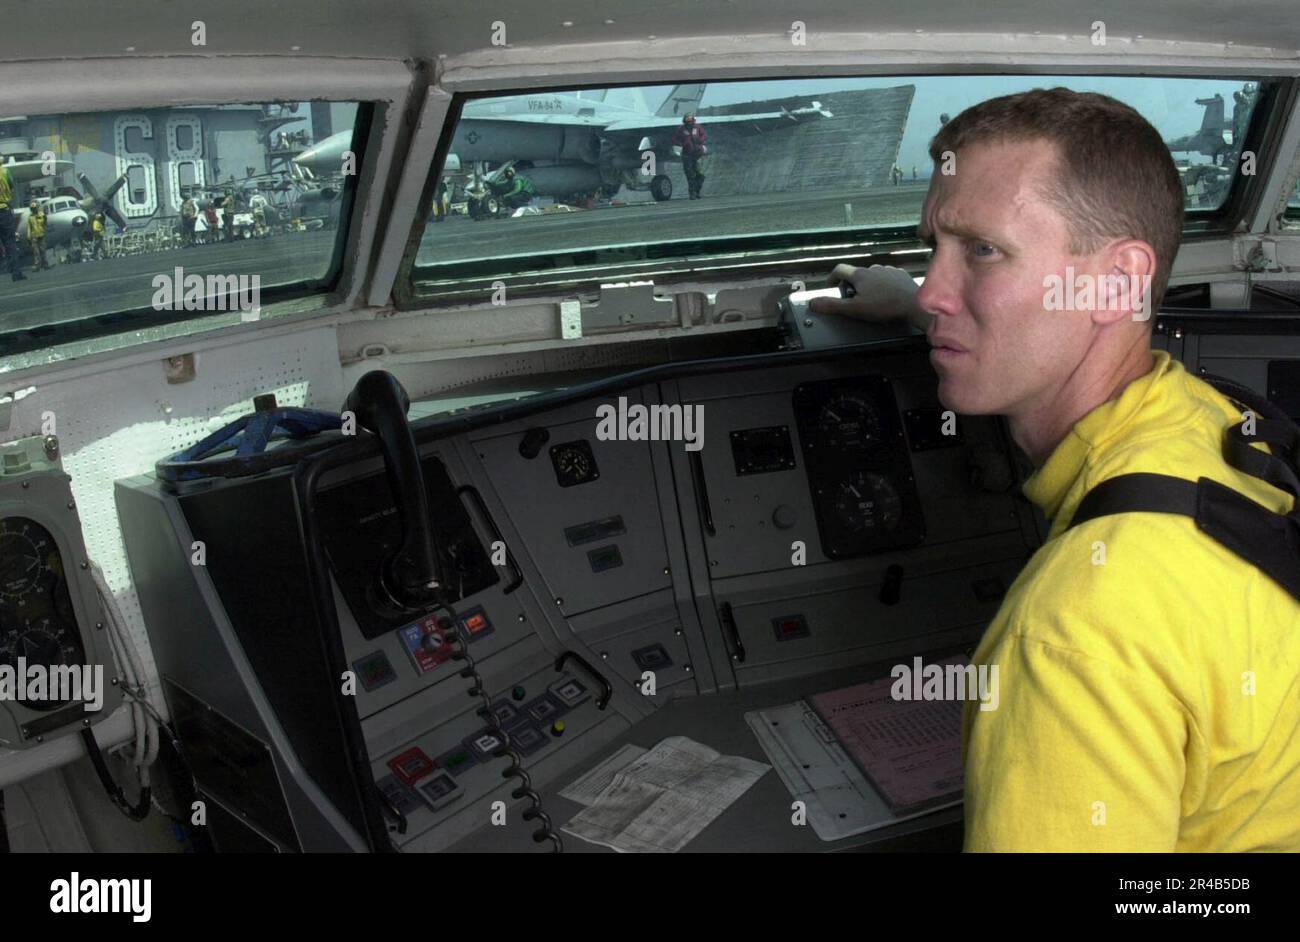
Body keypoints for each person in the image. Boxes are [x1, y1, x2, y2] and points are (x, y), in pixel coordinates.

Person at [811, 87, 1300, 851]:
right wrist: (906, 303)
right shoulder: (1207, 418)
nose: (937, 292)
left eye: (981, 250)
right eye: (931, 247)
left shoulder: (1076, 631)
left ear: (1115, 282)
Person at [672, 113, 708, 199]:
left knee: (700, 174)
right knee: (690, 175)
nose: (689, 123)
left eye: (690, 121)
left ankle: (697, 191)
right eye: (687, 121)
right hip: (687, 154)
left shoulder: (697, 127)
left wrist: (701, 140)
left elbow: (704, 135)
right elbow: (675, 139)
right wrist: (681, 144)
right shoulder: (681, 129)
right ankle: (692, 193)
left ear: (693, 121)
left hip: (698, 153)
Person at [0, 163, 25, 281]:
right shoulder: (5, 172)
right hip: (4, 210)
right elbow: (11, 187)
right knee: (10, 243)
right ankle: (16, 273)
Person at [26, 199, 49, 270]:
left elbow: (44, 224)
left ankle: (45, 264)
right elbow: (29, 228)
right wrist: (28, 236)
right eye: (32, 208)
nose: (33, 209)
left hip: (41, 235)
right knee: (36, 252)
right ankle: (37, 266)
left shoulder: (42, 215)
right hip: (34, 236)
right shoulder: (30, 217)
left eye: (34, 208)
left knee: (43, 250)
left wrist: (44, 218)